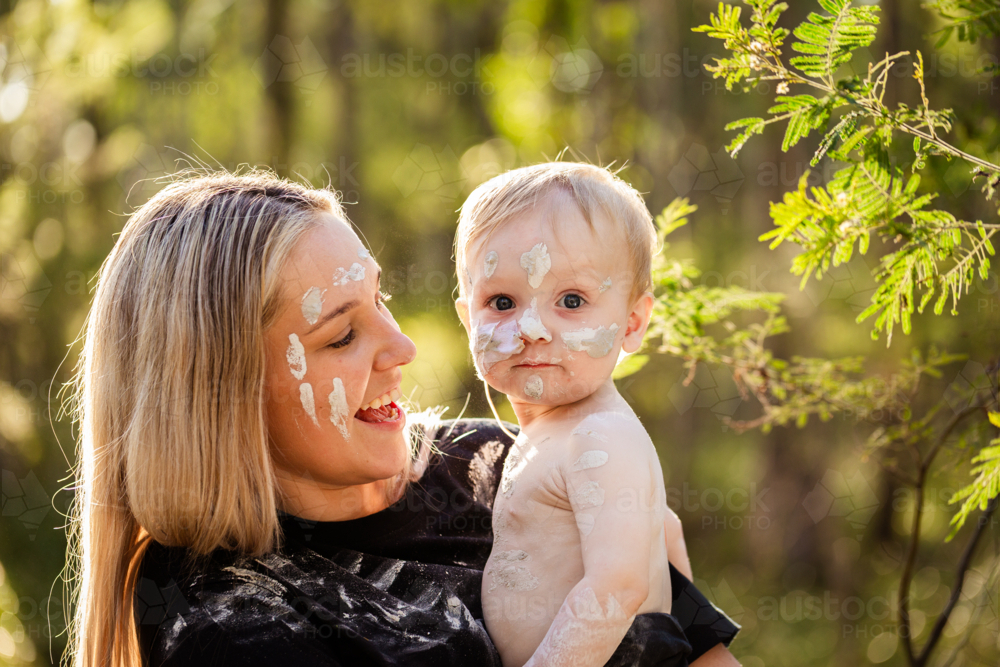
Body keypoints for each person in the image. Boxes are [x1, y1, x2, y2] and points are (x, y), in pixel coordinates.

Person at [64, 170, 741, 667]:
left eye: (380, 300)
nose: (403, 348)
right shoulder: (231, 622)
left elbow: (693, 637)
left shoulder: (496, 462)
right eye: (341, 335)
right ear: (219, 390)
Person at [454, 162, 695, 667]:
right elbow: (665, 529)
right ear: (466, 317)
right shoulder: (551, 433)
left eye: (571, 300)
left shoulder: (599, 434)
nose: (533, 327)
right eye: (501, 301)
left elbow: (619, 583)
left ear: (632, 323)